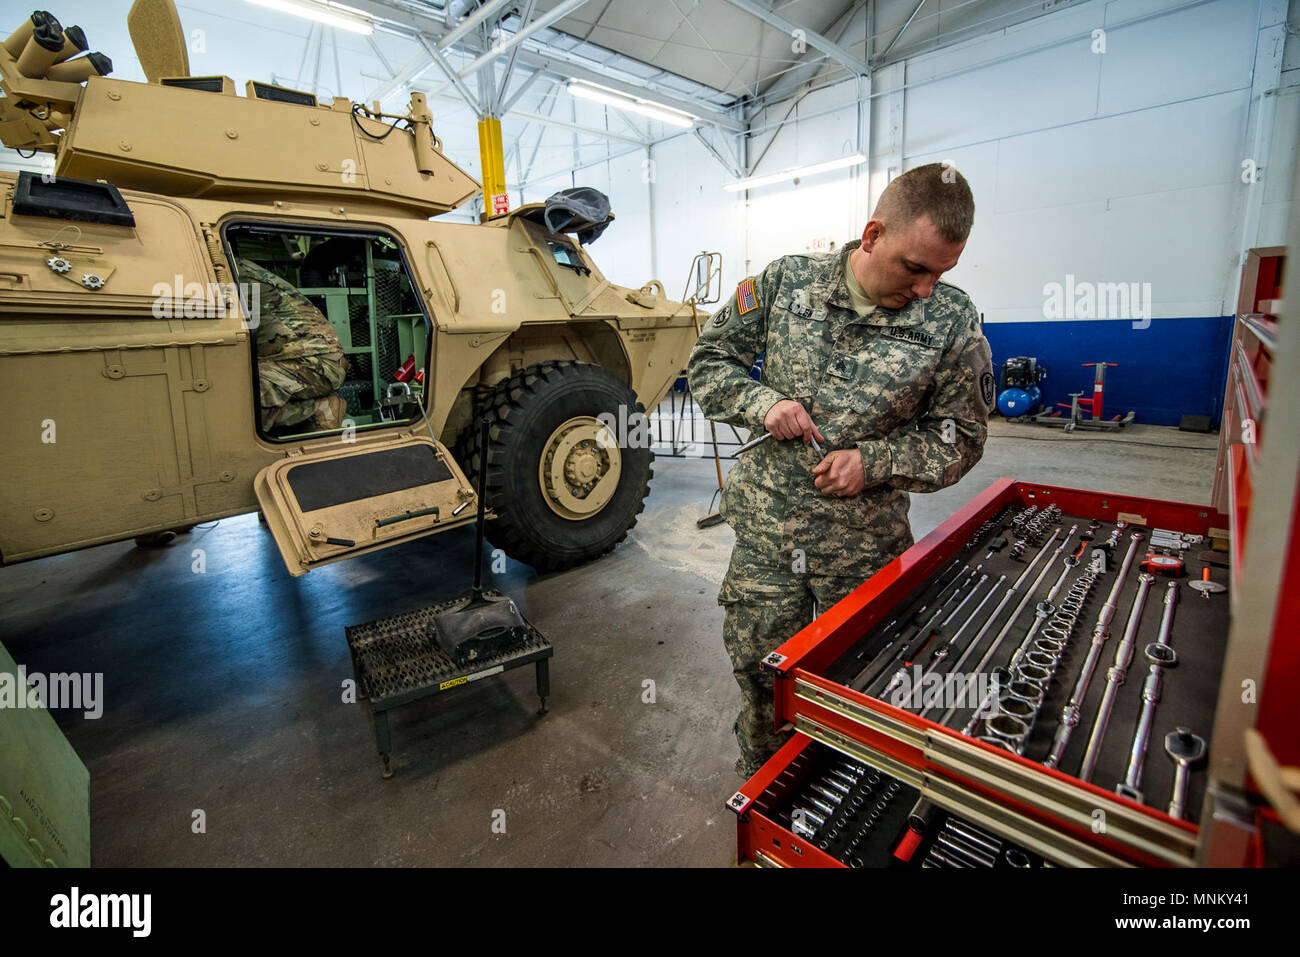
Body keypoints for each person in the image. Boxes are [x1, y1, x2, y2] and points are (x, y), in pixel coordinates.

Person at [687, 162, 995, 779]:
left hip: (864, 554)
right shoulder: (784, 283)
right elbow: (710, 361)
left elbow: (961, 436)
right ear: (873, 234)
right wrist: (762, 403)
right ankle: (765, 804)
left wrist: (874, 462)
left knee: (862, 690)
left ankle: (843, 814)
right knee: (760, 681)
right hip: (766, 547)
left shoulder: (953, 322)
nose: (927, 288)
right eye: (915, 267)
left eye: (942, 273)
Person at [236, 258, 348, 432]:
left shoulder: (232, 275)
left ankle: (317, 410)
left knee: (235, 397)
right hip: (291, 359)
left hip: (315, 364)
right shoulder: (227, 270)